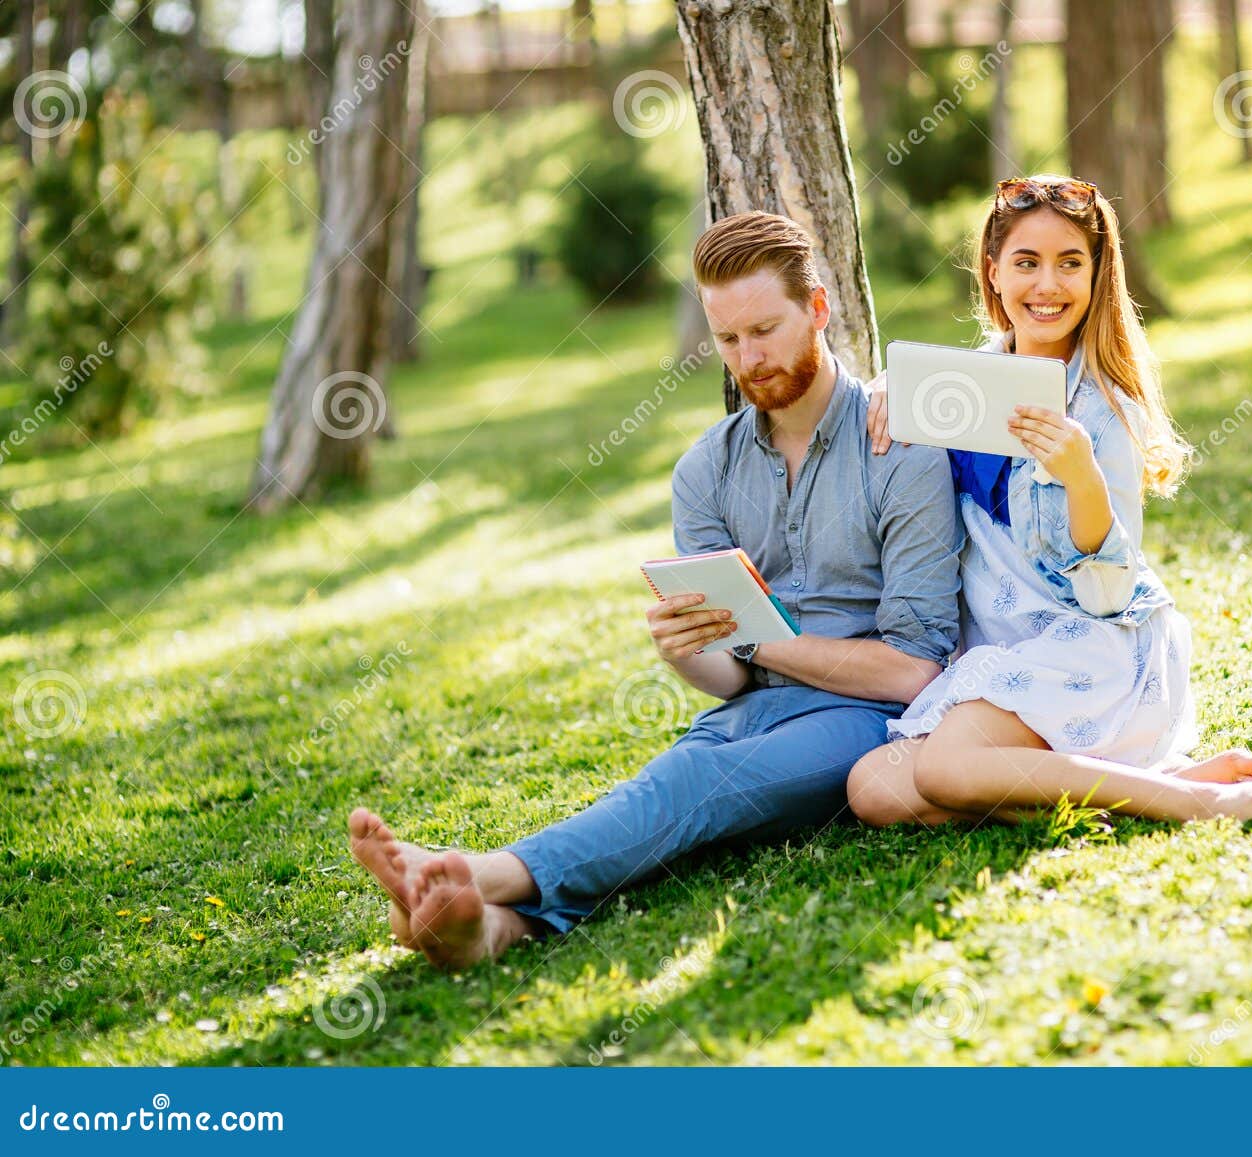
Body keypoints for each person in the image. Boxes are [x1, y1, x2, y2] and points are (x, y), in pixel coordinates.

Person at [348, 211, 962, 968]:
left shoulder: (901, 452)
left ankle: (483, 869)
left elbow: (912, 671)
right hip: (752, 707)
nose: (749, 358)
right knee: (664, 798)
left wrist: (762, 642)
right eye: (729, 339)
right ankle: (492, 929)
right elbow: (730, 673)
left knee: (696, 781)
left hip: (871, 721)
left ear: (820, 309)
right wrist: (686, 654)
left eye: (765, 329)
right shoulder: (704, 470)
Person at [846, 175, 1252, 833]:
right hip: (1002, 659)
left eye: (1069, 263)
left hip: (1091, 653)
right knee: (872, 788)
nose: (1047, 285)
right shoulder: (956, 386)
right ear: (993, 274)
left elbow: (1110, 594)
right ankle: (1139, 786)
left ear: (1096, 274)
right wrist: (886, 388)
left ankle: (1193, 802)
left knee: (940, 772)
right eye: (1026, 263)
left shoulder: (1107, 414)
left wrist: (1080, 476)